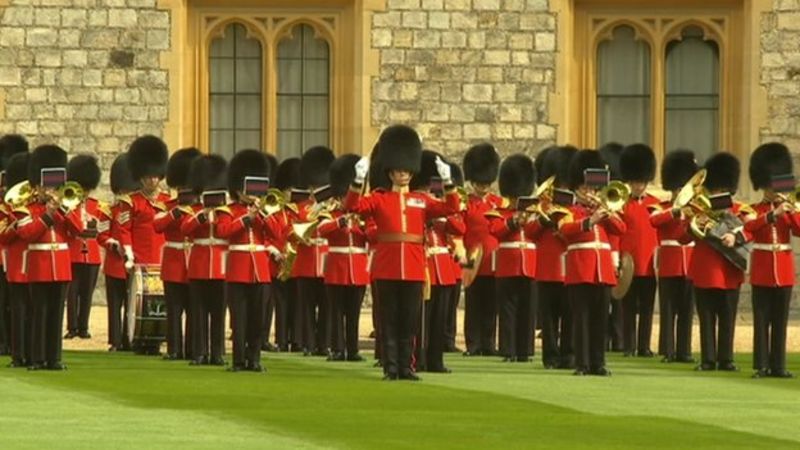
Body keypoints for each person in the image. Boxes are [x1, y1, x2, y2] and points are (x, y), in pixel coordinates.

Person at [344, 125, 458, 381]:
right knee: (389, 322)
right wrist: (357, 181)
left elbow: (451, 208)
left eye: (406, 170)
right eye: (398, 171)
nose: (403, 174)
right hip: (387, 266)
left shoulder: (421, 200)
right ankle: (391, 367)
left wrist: (448, 181)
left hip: (414, 266)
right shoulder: (379, 198)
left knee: (409, 322)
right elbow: (351, 207)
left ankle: (406, 367)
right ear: (390, 173)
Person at [558, 149, 626, 376]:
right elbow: (565, 230)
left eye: (592, 188)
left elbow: (621, 229)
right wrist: (590, 220)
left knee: (600, 320)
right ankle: (582, 363)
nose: (590, 192)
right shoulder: (569, 209)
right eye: (585, 188)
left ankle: (598, 362)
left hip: (602, 271)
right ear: (577, 188)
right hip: (580, 269)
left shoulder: (603, 209)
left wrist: (606, 210)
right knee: (582, 319)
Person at [15, 145, 83, 371]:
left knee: (56, 313)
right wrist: (48, 214)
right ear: (36, 186)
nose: (49, 189)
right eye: (45, 185)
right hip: (40, 265)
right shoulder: (27, 209)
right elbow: (26, 233)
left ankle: (54, 358)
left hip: (61, 265)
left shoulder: (65, 207)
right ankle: (37, 358)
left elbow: (78, 230)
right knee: (39, 313)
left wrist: (63, 209)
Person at [217, 149, 282, 372]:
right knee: (239, 319)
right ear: (238, 188)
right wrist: (247, 218)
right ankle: (238, 360)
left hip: (260, 270)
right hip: (238, 268)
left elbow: (277, 232)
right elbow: (224, 231)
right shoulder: (228, 210)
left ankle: (254, 359)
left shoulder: (264, 210)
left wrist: (262, 213)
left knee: (257, 319)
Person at [689, 152, 754, 372]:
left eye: (722, 188)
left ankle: (726, 358)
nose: (718, 192)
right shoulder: (700, 209)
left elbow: (752, 230)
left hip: (728, 272)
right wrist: (686, 218)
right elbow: (683, 237)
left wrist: (735, 236)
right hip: (705, 270)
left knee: (727, 319)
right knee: (706, 319)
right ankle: (708, 359)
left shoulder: (739, 210)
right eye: (715, 189)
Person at [744, 143, 799, 378]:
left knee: (780, 321)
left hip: (783, 270)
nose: (771, 190)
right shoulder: (754, 209)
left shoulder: (789, 209)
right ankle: (762, 365)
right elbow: (749, 227)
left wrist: (789, 209)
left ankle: (778, 365)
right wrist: (771, 215)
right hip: (762, 270)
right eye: (767, 186)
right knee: (762, 320)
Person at [487, 153, 542, 363]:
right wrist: (513, 222)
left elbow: (536, 233)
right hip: (508, 264)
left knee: (528, 309)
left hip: (528, 264)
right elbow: (495, 231)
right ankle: (508, 350)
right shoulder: (499, 211)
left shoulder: (533, 211)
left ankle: (524, 350)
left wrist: (535, 220)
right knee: (508, 310)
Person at [118, 135, 170, 354]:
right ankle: (134, 339)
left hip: (161, 259)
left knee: (159, 303)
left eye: (156, 177)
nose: (152, 181)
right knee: (136, 302)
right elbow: (123, 230)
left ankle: (157, 339)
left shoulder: (168, 201)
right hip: (139, 260)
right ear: (141, 178)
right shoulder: (130, 201)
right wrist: (129, 255)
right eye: (148, 177)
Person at [414, 150, 464, 373]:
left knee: (439, 318)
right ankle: (420, 358)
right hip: (424, 265)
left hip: (442, 267)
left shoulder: (438, 204)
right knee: (422, 318)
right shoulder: (417, 201)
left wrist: (443, 214)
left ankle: (436, 360)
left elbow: (460, 228)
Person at [317, 154, 369, 362]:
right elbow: (321, 230)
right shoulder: (331, 212)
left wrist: (362, 226)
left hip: (357, 268)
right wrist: (340, 223)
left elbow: (372, 235)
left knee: (354, 313)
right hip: (337, 268)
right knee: (336, 312)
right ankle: (338, 349)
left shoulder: (362, 214)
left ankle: (353, 349)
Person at [154, 147, 201, 360]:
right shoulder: (168, 205)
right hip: (174, 262)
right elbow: (158, 225)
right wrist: (175, 212)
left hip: (196, 261)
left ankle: (192, 348)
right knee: (174, 310)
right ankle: (174, 348)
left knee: (194, 310)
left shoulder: (202, 207)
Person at [650, 150, 698, 363]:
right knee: (668, 311)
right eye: (679, 188)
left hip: (690, 263)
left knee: (687, 311)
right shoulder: (662, 208)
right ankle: (667, 350)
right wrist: (675, 211)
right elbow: (654, 221)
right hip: (669, 263)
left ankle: (684, 350)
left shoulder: (694, 209)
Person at [182, 154, 229, 366]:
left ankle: (217, 353)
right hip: (200, 264)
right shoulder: (194, 210)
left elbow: (227, 232)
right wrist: (202, 216)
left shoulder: (225, 212)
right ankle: (199, 352)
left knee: (218, 312)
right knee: (198, 312)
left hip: (220, 266)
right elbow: (185, 229)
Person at [292, 146, 335, 357]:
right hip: (306, 262)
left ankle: (324, 344)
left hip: (326, 263)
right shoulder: (301, 208)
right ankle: (308, 343)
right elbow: (291, 231)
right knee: (306, 308)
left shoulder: (334, 207)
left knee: (326, 308)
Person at [460, 143, 502, 356]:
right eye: (479, 182)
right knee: (474, 304)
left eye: (486, 182)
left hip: (493, 260)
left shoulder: (498, 203)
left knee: (491, 305)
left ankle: (488, 343)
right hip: (473, 259)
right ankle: (473, 344)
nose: (482, 186)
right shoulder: (466, 203)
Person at [618, 144, 660, 357]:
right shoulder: (622, 204)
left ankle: (643, 346)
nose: (638, 186)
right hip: (628, 263)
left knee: (646, 309)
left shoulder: (655, 204)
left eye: (641, 182)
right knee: (628, 309)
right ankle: (628, 346)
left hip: (649, 264)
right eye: (635, 182)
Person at [537, 146, 576, 369]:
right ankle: (550, 356)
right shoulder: (542, 203)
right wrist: (545, 218)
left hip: (571, 265)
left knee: (570, 315)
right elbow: (532, 231)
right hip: (548, 265)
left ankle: (568, 354)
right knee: (549, 317)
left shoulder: (577, 205)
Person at [99, 154, 140, 352]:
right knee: (115, 306)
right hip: (115, 263)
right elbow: (101, 234)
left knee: (133, 304)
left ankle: (129, 338)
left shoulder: (135, 208)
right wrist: (111, 243)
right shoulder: (109, 210)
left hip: (134, 262)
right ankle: (115, 340)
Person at [64, 154, 104, 340]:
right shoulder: (69, 204)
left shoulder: (96, 206)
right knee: (71, 293)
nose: (85, 192)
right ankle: (71, 327)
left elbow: (103, 227)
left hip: (92, 254)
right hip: (73, 253)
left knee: (87, 293)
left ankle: (83, 327)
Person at [0, 152, 31, 367]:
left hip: (33, 263)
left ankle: (28, 349)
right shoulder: (6, 209)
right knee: (8, 306)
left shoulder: (31, 207)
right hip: (11, 261)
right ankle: (9, 345)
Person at [598, 142, 625, 352]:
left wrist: (617, 258)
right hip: (598, 254)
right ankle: (603, 339)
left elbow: (618, 231)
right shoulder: (595, 200)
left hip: (611, 252)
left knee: (616, 302)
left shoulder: (617, 200)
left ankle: (617, 340)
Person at [271, 158, 300, 352]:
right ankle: (281, 339)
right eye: (288, 189)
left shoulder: (295, 211)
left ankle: (296, 339)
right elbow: (271, 233)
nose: (291, 194)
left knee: (295, 301)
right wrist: (274, 251)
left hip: (295, 260)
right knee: (280, 303)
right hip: (277, 260)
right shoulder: (272, 209)